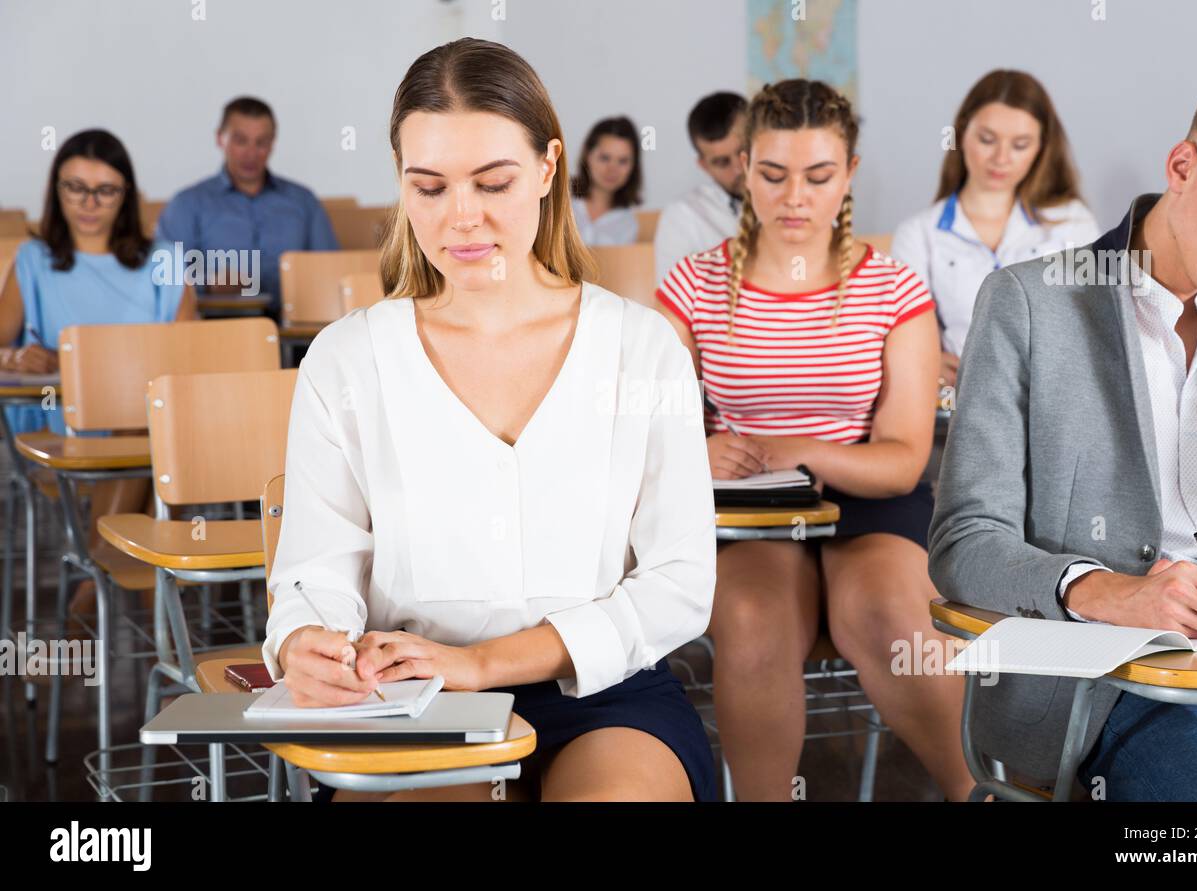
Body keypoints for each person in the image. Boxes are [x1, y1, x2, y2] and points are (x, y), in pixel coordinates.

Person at [263, 38, 718, 802]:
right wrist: (304, 639)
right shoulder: (345, 360)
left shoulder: (642, 349)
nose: (461, 219)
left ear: (547, 167)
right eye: (430, 187)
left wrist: (483, 663)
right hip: (414, 695)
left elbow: (679, 581)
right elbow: (318, 568)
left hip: (601, 690)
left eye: (492, 182)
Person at [928, 63, 1197, 801]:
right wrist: (1106, 591)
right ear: (1183, 166)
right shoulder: (1031, 305)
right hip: (1120, 692)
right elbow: (966, 542)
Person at [657, 79, 974, 802]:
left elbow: (901, 460)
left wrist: (796, 448)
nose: (794, 196)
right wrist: (691, 450)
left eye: (818, 176)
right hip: (748, 509)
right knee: (750, 617)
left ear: (850, 175)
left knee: (890, 613)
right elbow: (645, 428)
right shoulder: (694, 285)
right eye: (771, 174)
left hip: (865, 500)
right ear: (743, 167)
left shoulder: (894, 289)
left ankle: (975, 791)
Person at [0, 128, 197, 615]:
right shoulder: (33, 260)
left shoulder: (165, 260)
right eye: (75, 187)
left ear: (125, 196)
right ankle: (155, 632)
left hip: (148, 421)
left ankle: (92, 590)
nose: (89, 202)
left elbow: (192, 357)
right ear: (56, 190)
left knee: (157, 418)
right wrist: (13, 358)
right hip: (61, 425)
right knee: (165, 441)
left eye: (105, 190)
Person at [891, 70, 1099, 389]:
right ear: (961, 134)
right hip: (960, 405)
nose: (1001, 158)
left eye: (1020, 144)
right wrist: (927, 362)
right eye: (987, 140)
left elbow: (1091, 330)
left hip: (1054, 400)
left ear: (1042, 148)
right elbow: (911, 349)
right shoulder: (918, 235)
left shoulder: (1073, 222)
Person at [155, 96, 339, 316]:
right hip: (217, 326)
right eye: (240, 141)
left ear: (272, 144)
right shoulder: (188, 204)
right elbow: (164, 275)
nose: (251, 153)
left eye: (261, 142)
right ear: (220, 139)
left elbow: (331, 271)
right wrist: (209, 284)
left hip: (297, 326)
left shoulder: (303, 201)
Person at [653, 91, 747, 284]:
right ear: (704, 165)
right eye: (722, 162)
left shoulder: (802, 197)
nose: (738, 168)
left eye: (744, 151)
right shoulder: (683, 216)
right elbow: (671, 300)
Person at [570, 116, 641, 245]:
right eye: (604, 158)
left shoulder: (628, 224)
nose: (612, 169)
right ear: (587, 155)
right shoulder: (559, 202)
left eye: (623, 161)